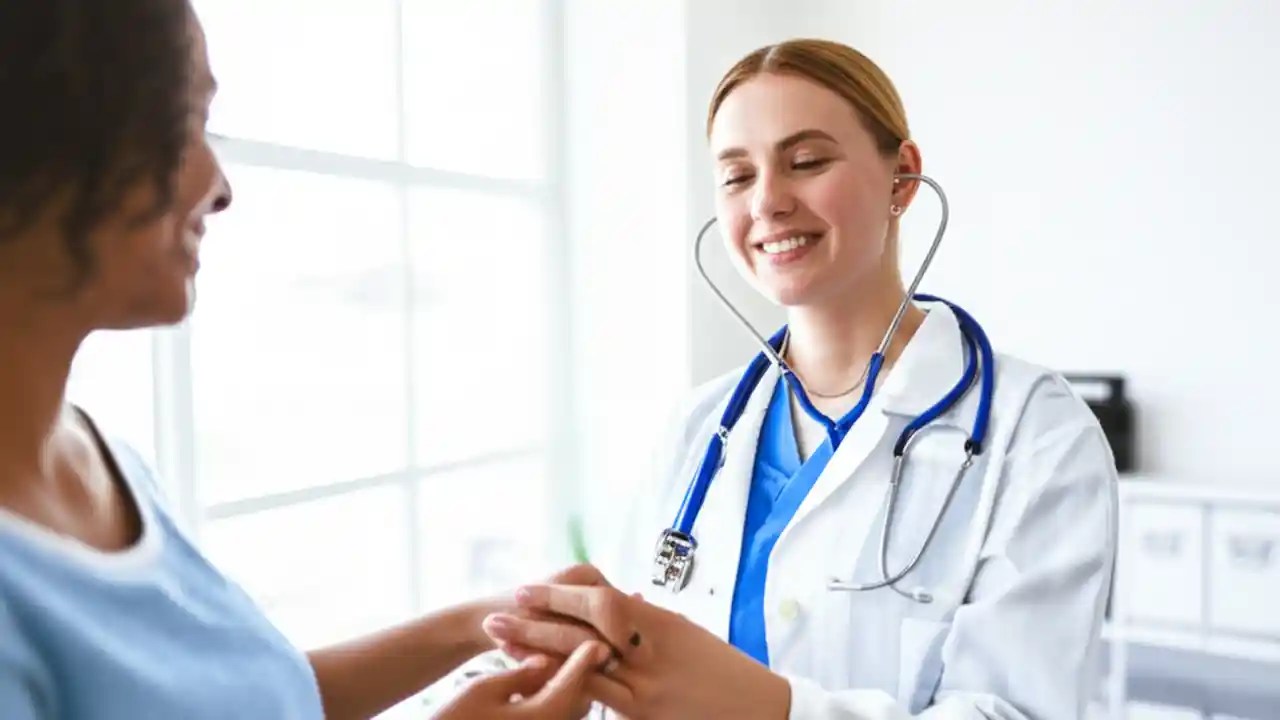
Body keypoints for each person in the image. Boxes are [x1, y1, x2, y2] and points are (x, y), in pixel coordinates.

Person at [481, 39, 1120, 719]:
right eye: (736, 176)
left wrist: (771, 708)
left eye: (807, 162)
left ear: (902, 178)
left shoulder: (1036, 435)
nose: (767, 203)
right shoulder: (702, 427)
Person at [0, 2, 607, 718]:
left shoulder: (107, 463)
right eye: (191, 120)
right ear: (61, 135)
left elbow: (253, 700)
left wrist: (482, 623)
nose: (220, 188)